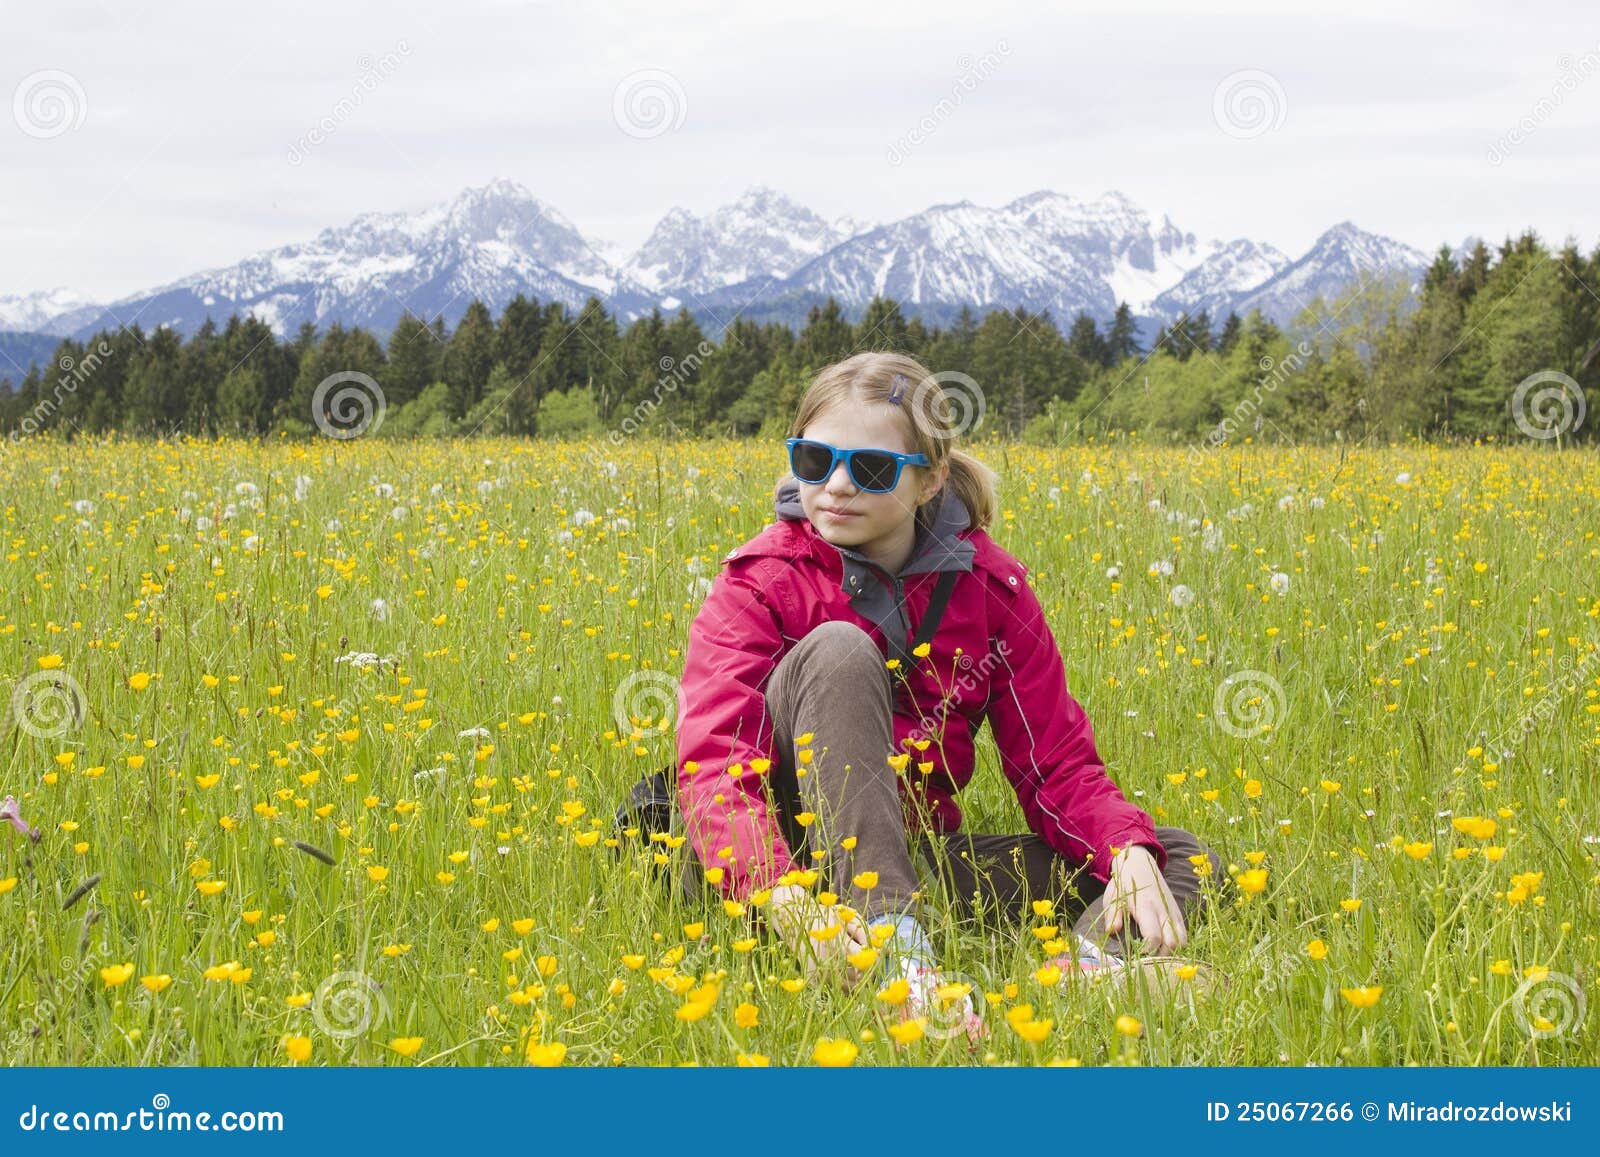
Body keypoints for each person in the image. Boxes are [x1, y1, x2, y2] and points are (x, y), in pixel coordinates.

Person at [673, 351, 1223, 1036]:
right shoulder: (762, 579)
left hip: (905, 857)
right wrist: (786, 899)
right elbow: (712, 771)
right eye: (814, 459)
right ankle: (905, 970)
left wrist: (1125, 850)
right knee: (842, 650)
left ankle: (1091, 976)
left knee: (1172, 853)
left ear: (931, 478)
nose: (836, 486)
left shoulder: (990, 587)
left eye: (870, 468)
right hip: (775, 877)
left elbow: (1057, 767)